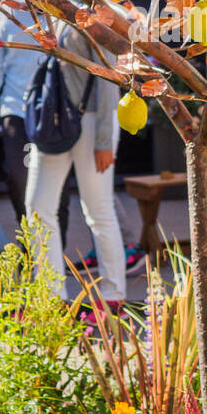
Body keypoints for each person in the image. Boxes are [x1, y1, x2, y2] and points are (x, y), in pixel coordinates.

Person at [24, 22, 126, 306]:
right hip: (56, 122)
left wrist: (105, 140)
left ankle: (113, 296)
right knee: (38, 207)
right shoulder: (44, 13)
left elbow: (109, 78)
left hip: (92, 122)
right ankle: (52, 297)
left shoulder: (90, 15)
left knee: (98, 208)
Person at [0, 1, 74, 245]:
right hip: (17, 112)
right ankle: (30, 248)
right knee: (18, 180)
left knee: (58, 191)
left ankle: (55, 260)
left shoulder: (61, 6)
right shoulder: (0, 12)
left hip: (55, 114)